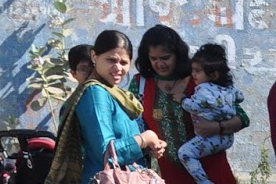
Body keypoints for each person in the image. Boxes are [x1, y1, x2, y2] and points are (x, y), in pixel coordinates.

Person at [128, 24, 247, 184]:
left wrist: (217, 127)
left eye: (165, 58)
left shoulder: (198, 80)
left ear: (178, 55)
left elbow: (242, 117)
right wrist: (149, 149)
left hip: (214, 173)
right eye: (153, 58)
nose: (159, 64)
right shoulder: (140, 84)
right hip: (171, 176)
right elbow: (132, 128)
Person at [47, 29, 165, 184]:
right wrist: (145, 138)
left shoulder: (116, 93)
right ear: (95, 56)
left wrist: (150, 148)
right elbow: (107, 153)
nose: (118, 68)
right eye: (111, 60)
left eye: (124, 62)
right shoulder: (95, 92)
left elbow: (124, 140)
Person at [176, 44, 243, 184]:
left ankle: (204, 181)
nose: (193, 74)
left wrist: (182, 99)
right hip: (227, 138)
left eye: (198, 71)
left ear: (213, 74)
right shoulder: (228, 88)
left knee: (185, 153)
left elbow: (193, 106)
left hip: (210, 138)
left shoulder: (203, 90)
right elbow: (240, 97)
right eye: (193, 70)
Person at [59, 44, 94, 126]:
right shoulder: (68, 107)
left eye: (94, 67)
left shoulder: (110, 96)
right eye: (83, 69)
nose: (91, 73)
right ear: (73, 73)